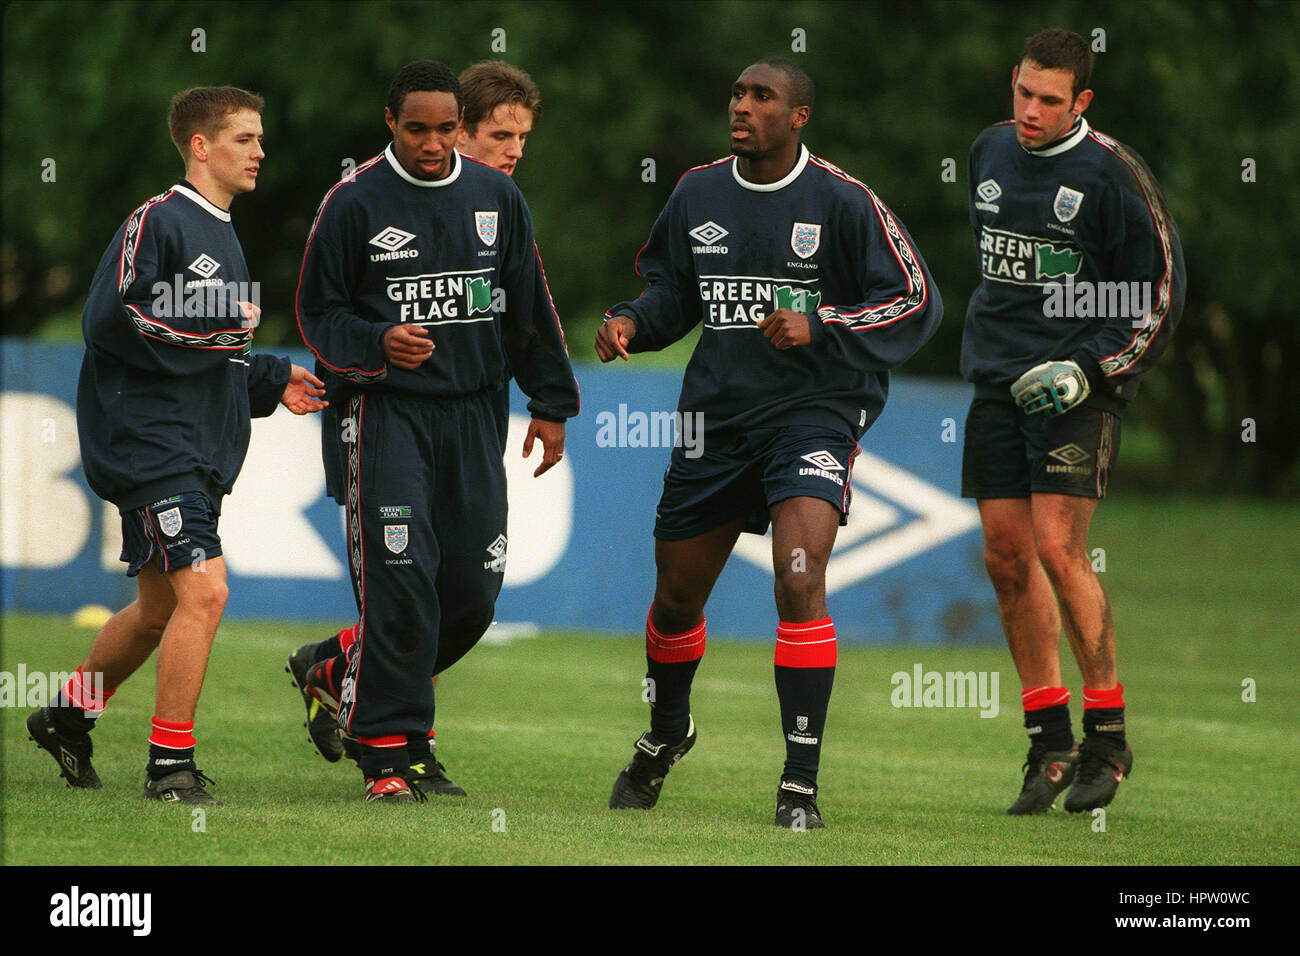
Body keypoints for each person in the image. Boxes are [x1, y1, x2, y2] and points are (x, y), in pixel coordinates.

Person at [597, 58, 942, 829]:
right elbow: (671, 293)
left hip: (812, 417)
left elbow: (917, 300)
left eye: (763, 97)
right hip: (714, 421)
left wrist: (823, 324)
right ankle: (666, 733)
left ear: (799, 117)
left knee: (798, 581)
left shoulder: (844, 201)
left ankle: (798, 785)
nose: (743, 107)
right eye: (738, 95)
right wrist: (631, 322)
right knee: (677, 599)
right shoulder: (697, 192)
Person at [26, 86, 328, 805]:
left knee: (159, 610)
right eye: (245, 138)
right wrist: (227, 336)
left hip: (196, 452)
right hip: (148, 448)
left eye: (259, 138)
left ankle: (65, 717)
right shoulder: (157, 221)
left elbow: (210, 355)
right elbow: (117, 317)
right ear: (201, 145)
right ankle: (169, 769)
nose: (260, 151)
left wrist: (270, 376)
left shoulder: (225, 234)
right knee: (208, 591)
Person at [295, 60, 578, 803]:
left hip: (475, 413)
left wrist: (551, 402)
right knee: (401, 587)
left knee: (472, 596)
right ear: (391, 122)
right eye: (415, 127)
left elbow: (528, 307)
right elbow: (317, 315)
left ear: (459, 126)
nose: (431, 141)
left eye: (444, 128)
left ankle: (338, 674)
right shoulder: (353, 201)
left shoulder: (495, 197)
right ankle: (393, 755)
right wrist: (378, 343)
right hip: (385, 414)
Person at [960, 29, 1184, 814]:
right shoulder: (988, 153)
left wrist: (1085, 369)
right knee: (1006, 558)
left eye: (1050, 100)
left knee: (1059, 546)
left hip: (1078, 387)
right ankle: (1048, 744)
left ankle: (1109, 738)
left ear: (1081, 102)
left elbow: (1156, 296)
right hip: (996, 382)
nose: (1031, 110)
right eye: (1023, 92)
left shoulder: (1113, 176)